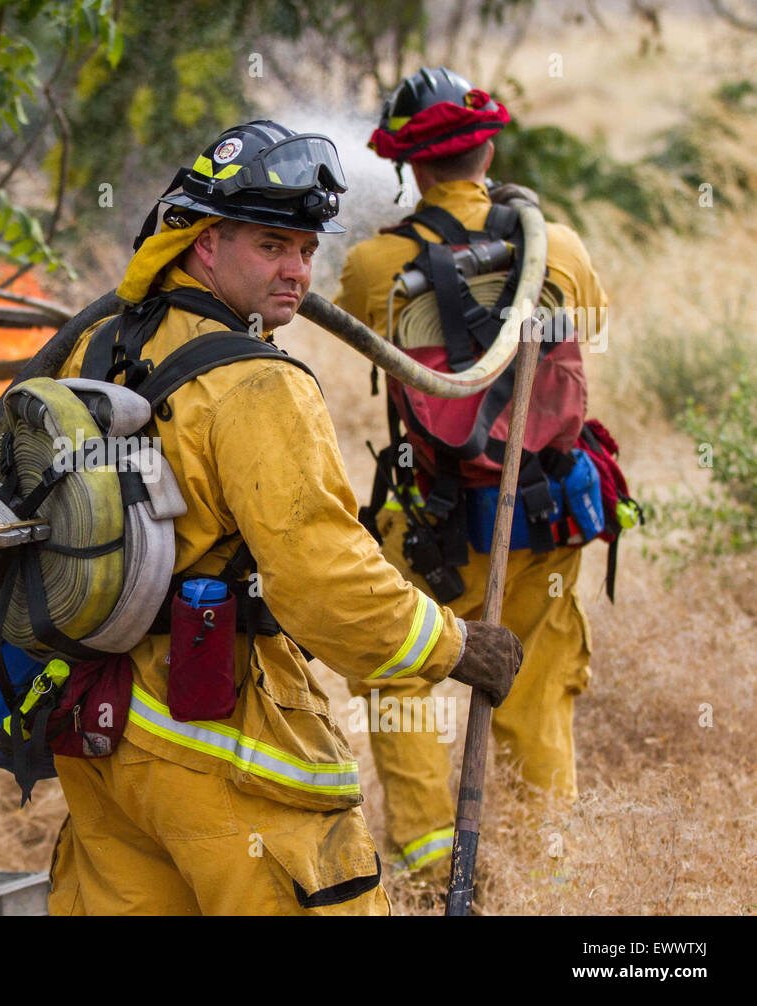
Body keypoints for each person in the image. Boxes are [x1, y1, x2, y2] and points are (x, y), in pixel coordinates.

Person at [45, 119, 522, 916]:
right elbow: (324, 584)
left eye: (305, 249)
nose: (297, 271)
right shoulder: (259, 383)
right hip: (219, 736)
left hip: (101, 729)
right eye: (271, 247)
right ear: (204, 243)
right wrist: (457, 647)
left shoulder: (97, 342)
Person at [333, 68, 610, 886]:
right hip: (549, 513)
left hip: (440, 530)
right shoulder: (560, 245)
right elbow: (587, 321)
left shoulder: (374, 264)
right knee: (537, 694)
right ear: (488, 145)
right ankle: (542, 879)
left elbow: (370, 350)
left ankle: (434, 873)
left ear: (408, 166)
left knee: (400, 674)